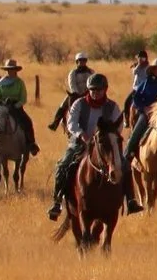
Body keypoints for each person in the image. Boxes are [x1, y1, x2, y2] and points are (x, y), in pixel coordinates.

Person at [50, 72, 143, 219]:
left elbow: (118, 126)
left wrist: (106, 136)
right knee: (64, 165)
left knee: (125, 165)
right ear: (88, 90)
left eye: (98, 90)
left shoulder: (112, 106)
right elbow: (71, 123)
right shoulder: (78, 104)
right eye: (92, 90)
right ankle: (57, 201)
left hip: (104, 143)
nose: (95, 93)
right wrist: (82, 134)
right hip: (81, 141)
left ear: (105, 89)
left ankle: (131, 200)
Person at [0, 59, 37, 151]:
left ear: (16, 70)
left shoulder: (20, 82)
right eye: (9, 69)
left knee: (28, 122)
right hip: (2, 107)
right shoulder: (0, 83)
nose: (10, 71)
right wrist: (1, 103)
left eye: (12, 69)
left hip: (16, 107)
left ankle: (31, 144)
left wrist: (15, 106)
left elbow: (23, 99)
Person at [49, 51, 94, 132]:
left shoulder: (91, 72)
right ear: (77, 62)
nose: (82, 62)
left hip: (89, 93)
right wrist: (77, 93)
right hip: (75, 94)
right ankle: (55, 123)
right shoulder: (73, 73)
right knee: (63, 105)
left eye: (83, 60)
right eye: (80, 61)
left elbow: (93, 83)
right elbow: (72, 84)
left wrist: (89, 92)